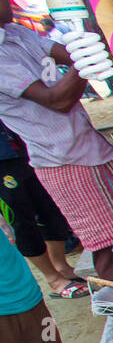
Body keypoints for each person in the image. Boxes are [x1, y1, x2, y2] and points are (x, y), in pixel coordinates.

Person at [0, 0, 113, 282]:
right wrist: (84, 61)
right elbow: (57, 100)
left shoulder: (15, 34)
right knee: (109, 245)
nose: (8, 0)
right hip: (63, 161)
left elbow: (65, 53)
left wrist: (86, 42)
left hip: (86, 148)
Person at [0, 122, 87, 298]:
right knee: (20, 220)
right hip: (3, 161)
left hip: (25, 143)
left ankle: (61, 265)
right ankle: (53, 278)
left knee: (51, 209)